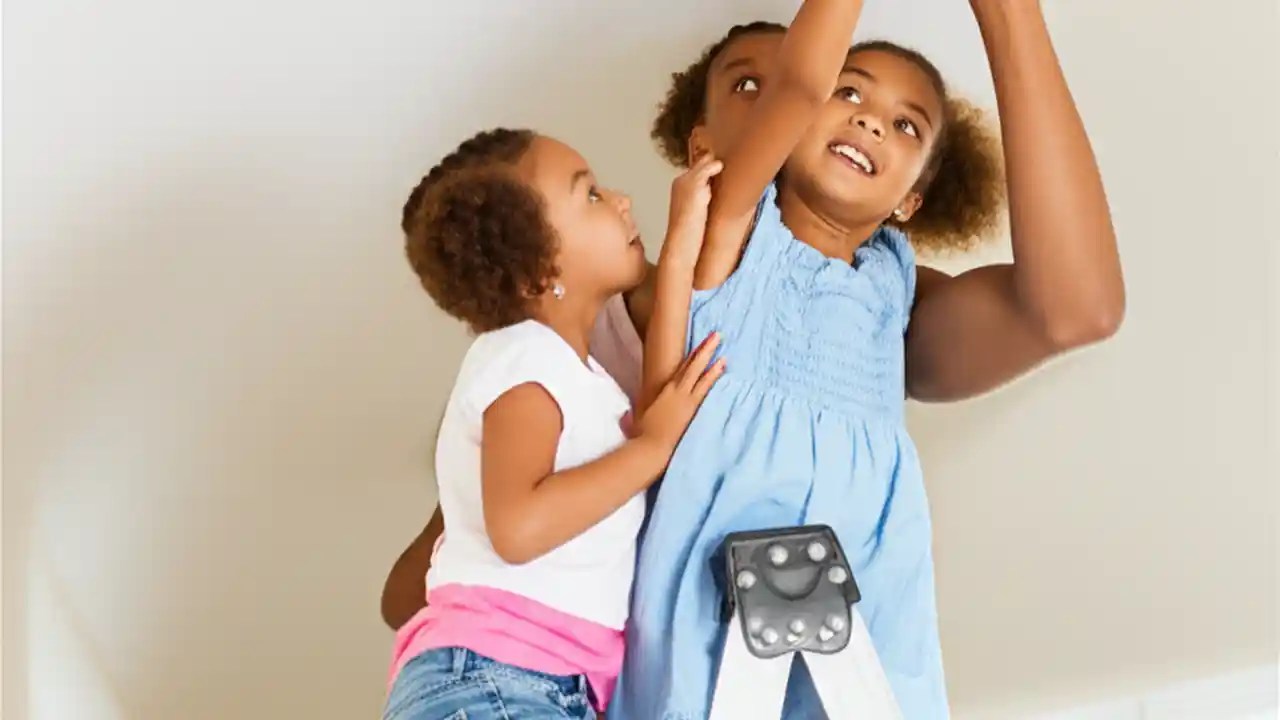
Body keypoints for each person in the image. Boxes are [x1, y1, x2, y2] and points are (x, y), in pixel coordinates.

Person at [613, 1, 1124, 718]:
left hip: (865, 615)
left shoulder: (890, 281)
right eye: (846, 92)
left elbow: (1083, 308)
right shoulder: (729, 229)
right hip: (713, 613)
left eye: (906, 123)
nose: (870, 119)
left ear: (911, 199)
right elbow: (795, 89)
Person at [382, 127, 725, 719]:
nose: (620, 200)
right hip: (493, 679)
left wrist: (683, 245)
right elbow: (519, 526)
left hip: (535, 683)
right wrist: (653, 447)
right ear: (537, 270)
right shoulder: (522, 357)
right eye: (589, 194)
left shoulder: (582, 379)